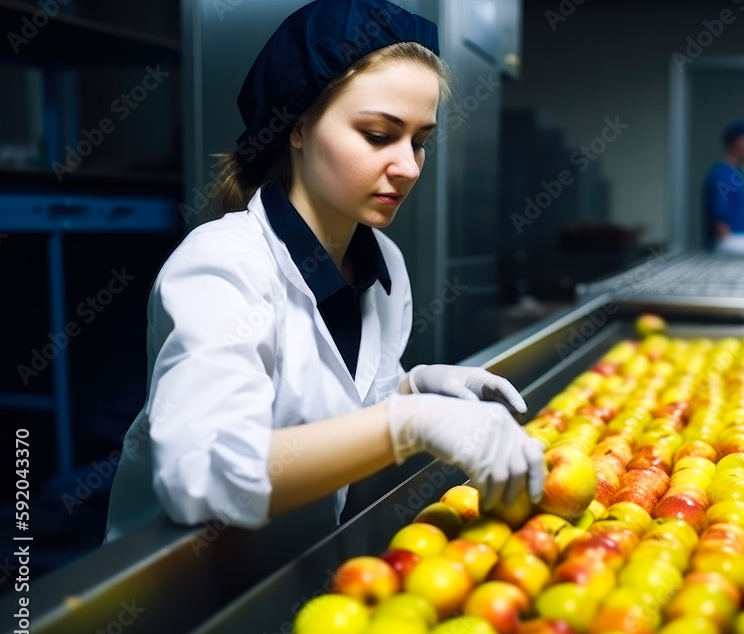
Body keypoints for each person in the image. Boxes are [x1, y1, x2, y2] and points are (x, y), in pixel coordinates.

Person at [104, 0, 544, 543]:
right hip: (179, 598)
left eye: (420, 141)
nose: (408, 166)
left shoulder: (384, 267)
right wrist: (407, 425)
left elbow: (338, 407)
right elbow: (202, 476)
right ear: (299, 126)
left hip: (294, 572)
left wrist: (411, 389)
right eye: (380, 135)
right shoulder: (222, 266)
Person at [702, 121, 744, 254]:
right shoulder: (723, 174)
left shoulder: (733, 173)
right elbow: (720, 222)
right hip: (732, 246)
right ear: (739, 142)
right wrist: (729, 246)